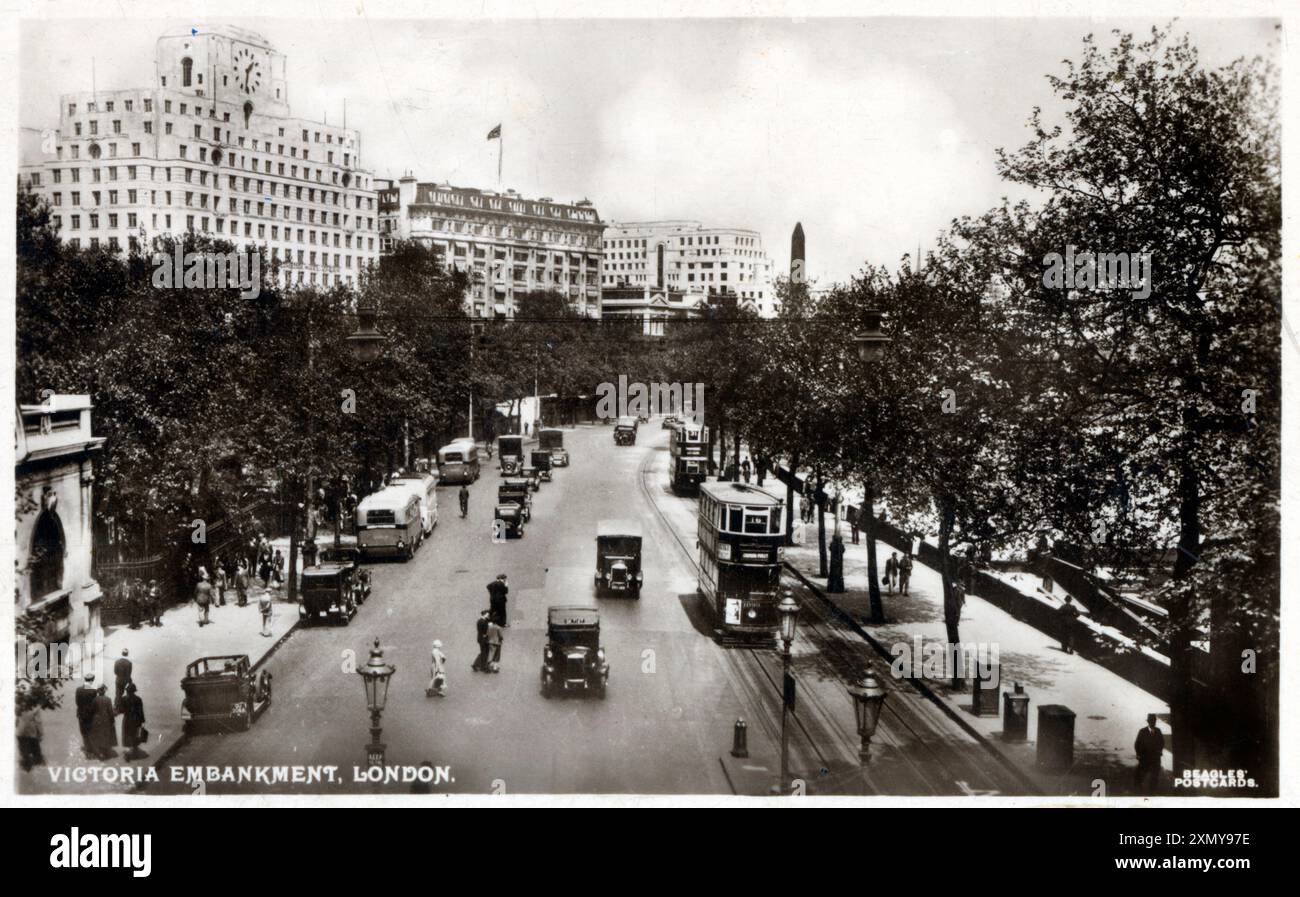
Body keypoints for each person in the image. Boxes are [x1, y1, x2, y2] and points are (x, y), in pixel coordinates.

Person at [1133, 714, 1165, 795]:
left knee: (1155, 775)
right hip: (1145, 757)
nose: (1152, 723)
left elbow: (1162, 742)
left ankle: (1152, 791)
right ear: (1148, 722)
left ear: (1155, 722)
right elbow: (1137, 744)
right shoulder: (1142, 731)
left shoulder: (1158, 731)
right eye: (1151, 721)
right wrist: (1138, 754)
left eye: (1154, 721)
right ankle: (1137, 788)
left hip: (1155, 757)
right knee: (1141, 773)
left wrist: (1160, 751)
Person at [120, 682, 148, 761]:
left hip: (127, 719)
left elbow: (121, 710)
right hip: (136, 720)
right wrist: (142, 721)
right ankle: (134, 747)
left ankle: (130, 749)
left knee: (127, 733)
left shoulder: (124, 699)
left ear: (127, 691)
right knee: (135, 733)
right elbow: (140, 711)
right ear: (134, 691)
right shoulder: (138, 699)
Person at [89, 684, 118, 760]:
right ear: (104, 691)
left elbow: (91, 711)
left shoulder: (95, 700)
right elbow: (110, 712)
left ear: (98, 691)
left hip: (97, 720)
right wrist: (112, 720)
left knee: (98, 735)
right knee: (105, 734)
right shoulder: (108, 699)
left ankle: (101, 752)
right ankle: (106, 751)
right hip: (106, 719)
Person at [74, 673, 98, 758]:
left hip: (81, 713)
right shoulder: (94, 690)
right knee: (90, 730)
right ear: (92, 680)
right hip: (90, 713)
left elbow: (77, 702)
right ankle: (91, 749)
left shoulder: (78, 689)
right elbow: (95, 703)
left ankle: (87, 748)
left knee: (83, 731)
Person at [17, 704, 44, 771]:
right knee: (37, 755)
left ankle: (25, 770)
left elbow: (16, 719)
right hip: (31, 734)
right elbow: (38, 722)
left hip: (21, 733)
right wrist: (41, 733)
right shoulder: (36, 707)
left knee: (24, 754)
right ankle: (35, 771)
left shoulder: (19, 704)